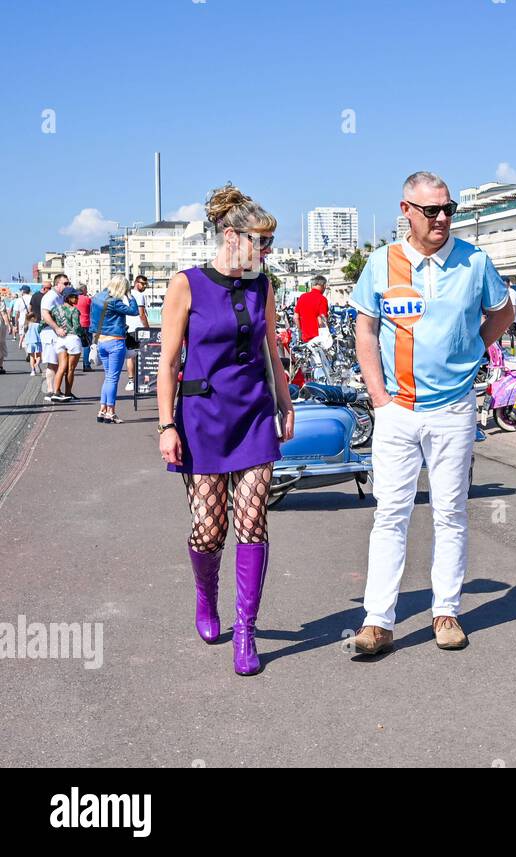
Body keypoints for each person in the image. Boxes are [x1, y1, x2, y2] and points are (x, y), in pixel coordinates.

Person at [345, 171, 513, 657]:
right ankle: (378, 622)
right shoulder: (382, 263)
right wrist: (378, 397)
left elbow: (501, 312)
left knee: (451, 513)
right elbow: (365, 332)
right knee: (390, 514)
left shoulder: (474, 261)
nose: (442, 218)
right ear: (406, 211)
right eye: (431, 210)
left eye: (448, 209)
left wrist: (472, 352)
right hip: (397, 409)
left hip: (454, 409)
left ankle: (446, 612)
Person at [157, 184, 293, 677]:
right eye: (263, 242)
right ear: (232, 237)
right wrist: (166, 424)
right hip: (203, 419)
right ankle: (205, 599)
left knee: (253, 519)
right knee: (209, 529)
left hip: (254, 415)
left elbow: (269, 351)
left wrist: (284, 400)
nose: (268, 252)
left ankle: (247, 632)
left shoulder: (264, 284)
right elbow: (168, 362)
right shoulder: (186, 284)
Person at [90, 276, 140, 424]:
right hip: (115, 342)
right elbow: (134, 311)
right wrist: (129, 296)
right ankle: (111, 412)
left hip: (101, 341)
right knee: (113, 378)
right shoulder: (114, 302)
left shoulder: (97, 297)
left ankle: (102, 409)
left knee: (108, 377)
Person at [50, 286, 84, 399]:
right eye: (75, 296)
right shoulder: (74, 310)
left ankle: (56, 392)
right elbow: (77, 327)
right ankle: (68, 393)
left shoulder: (55, 309)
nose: (78, 298)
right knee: (70, 369)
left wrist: (58, 329)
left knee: (61, 367)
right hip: (72, 339)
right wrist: (82, 332)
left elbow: (45, 321)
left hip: (60, 339)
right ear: (68, 298)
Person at [124, 274, 152, 391]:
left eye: (146, 284)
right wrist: (148, 328)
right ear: (136, 283)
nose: (144, 286)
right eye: (142, 283)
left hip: (128, 329)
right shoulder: (139, 296)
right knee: (143, 355)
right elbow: (141, 314)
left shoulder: (126, 295)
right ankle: (142, 380)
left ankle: (131, 380)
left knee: (130, 356)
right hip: (139, 329)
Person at [294, 275, 330, 343]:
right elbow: (321, 320)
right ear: (324, 285)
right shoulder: (322, 299)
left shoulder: (302, 297)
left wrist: (300, 331)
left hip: (305, 338)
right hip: (318, 339)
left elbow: (296, 317)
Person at [76, 287, 93, 372]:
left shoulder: (73, 299)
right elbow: (91, 310)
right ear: (84, 291)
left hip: (75, 324)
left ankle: (70, 366)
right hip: (86, 323)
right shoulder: (87, 299)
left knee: (74, 345)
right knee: (86, 346)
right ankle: (86, 365)